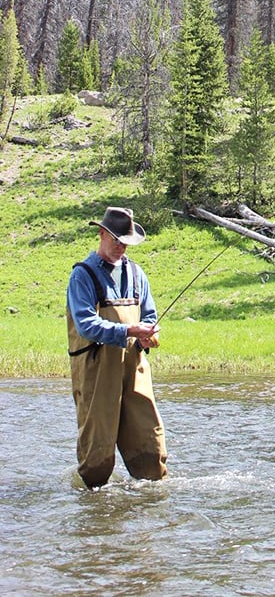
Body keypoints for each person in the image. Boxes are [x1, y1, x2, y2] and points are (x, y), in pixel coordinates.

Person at [66, 206, 168, 488]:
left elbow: (150, 316)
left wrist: (149, 334)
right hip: (97, 373)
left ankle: (150, 503)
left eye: (126, 242)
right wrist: (129, 331)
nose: (121, 247)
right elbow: (86, 324)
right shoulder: (82, 276)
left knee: (151, 448)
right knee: (97, 456)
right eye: (117, 240)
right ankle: (93, 506)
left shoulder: (137, 274)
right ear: (101, 234)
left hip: (135, 370)